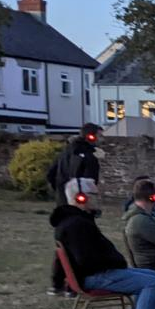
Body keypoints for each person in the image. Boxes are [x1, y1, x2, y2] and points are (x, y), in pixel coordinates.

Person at [52, 178, 155, 309]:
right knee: (151, 283)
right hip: (95, 276)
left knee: (152, 274)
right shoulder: (77, 225)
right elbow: (87, 260)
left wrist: (57, 282)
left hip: (92, 274)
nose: (99, 198)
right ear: (81, 197)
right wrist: (115, 263)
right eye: (94, 195)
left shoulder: (72, 221)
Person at [46, 122, 102, 295]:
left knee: (64, 244)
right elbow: (88, 184)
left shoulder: (65, 152)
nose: (101, 139)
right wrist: (85, 202)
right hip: (80, 207)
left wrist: (61, 195)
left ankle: (57, 284)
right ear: (91, 136)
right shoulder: (87, 157)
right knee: (81, 246)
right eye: (99, 135)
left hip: (63, 206)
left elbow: (51, 174)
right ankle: (74, 285)